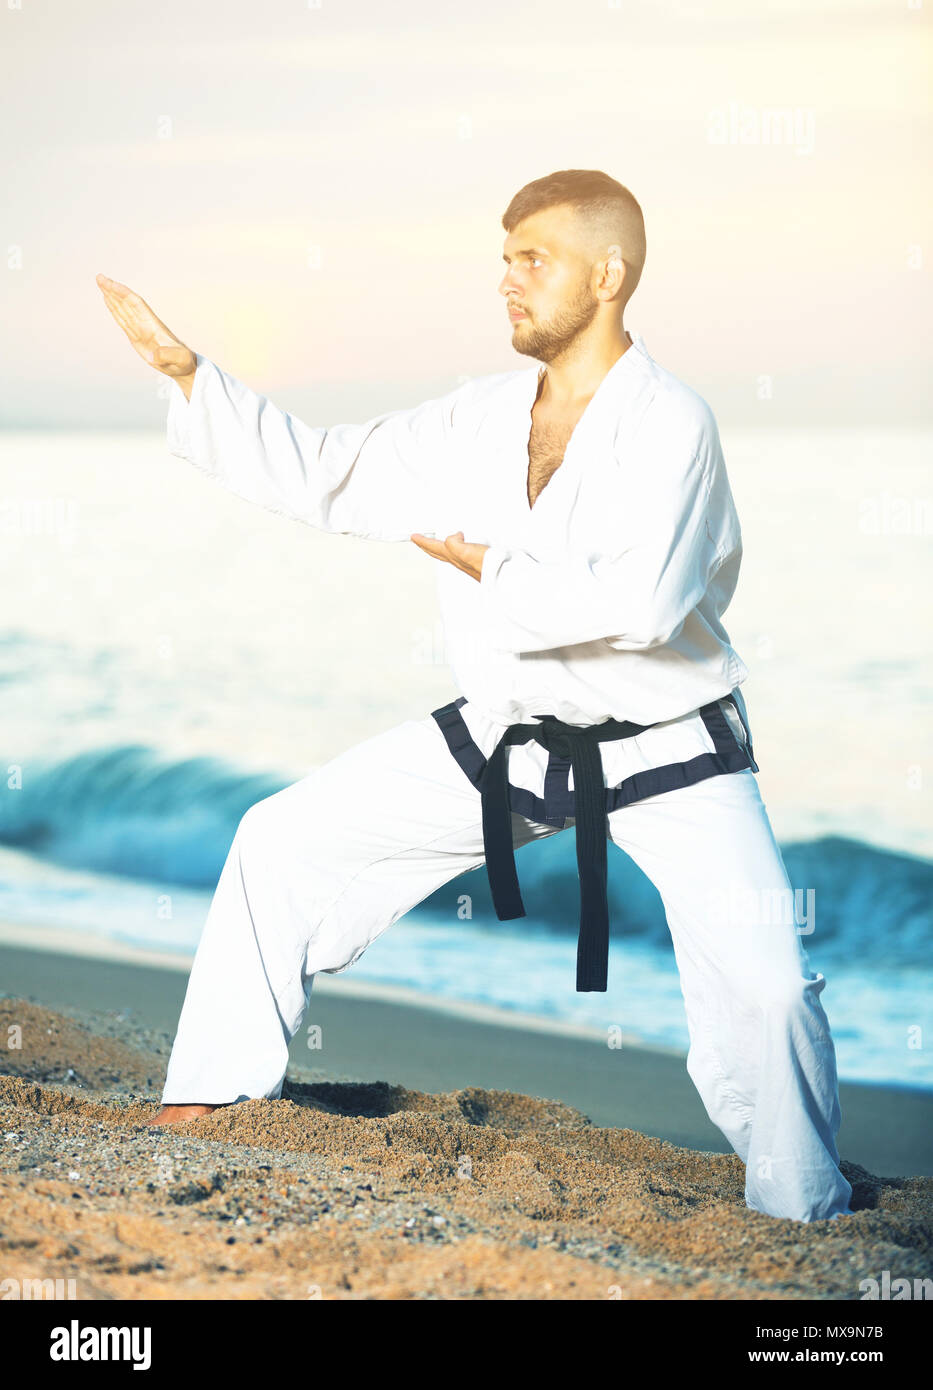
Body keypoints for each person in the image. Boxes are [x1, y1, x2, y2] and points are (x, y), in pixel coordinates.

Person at [96, 168, 853, 1223]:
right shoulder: (477, 418)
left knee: (768, 994)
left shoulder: (674, 425)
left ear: (610, 273)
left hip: (668, 749)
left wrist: (491, 568)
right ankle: (213, 1094)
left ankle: (801, 1206)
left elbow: (639, 604)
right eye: (501, 260)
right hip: (513, 739)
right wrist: (192, 377)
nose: (506, 280)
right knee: (280, 841)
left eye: (531, 259)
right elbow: (331, 473)